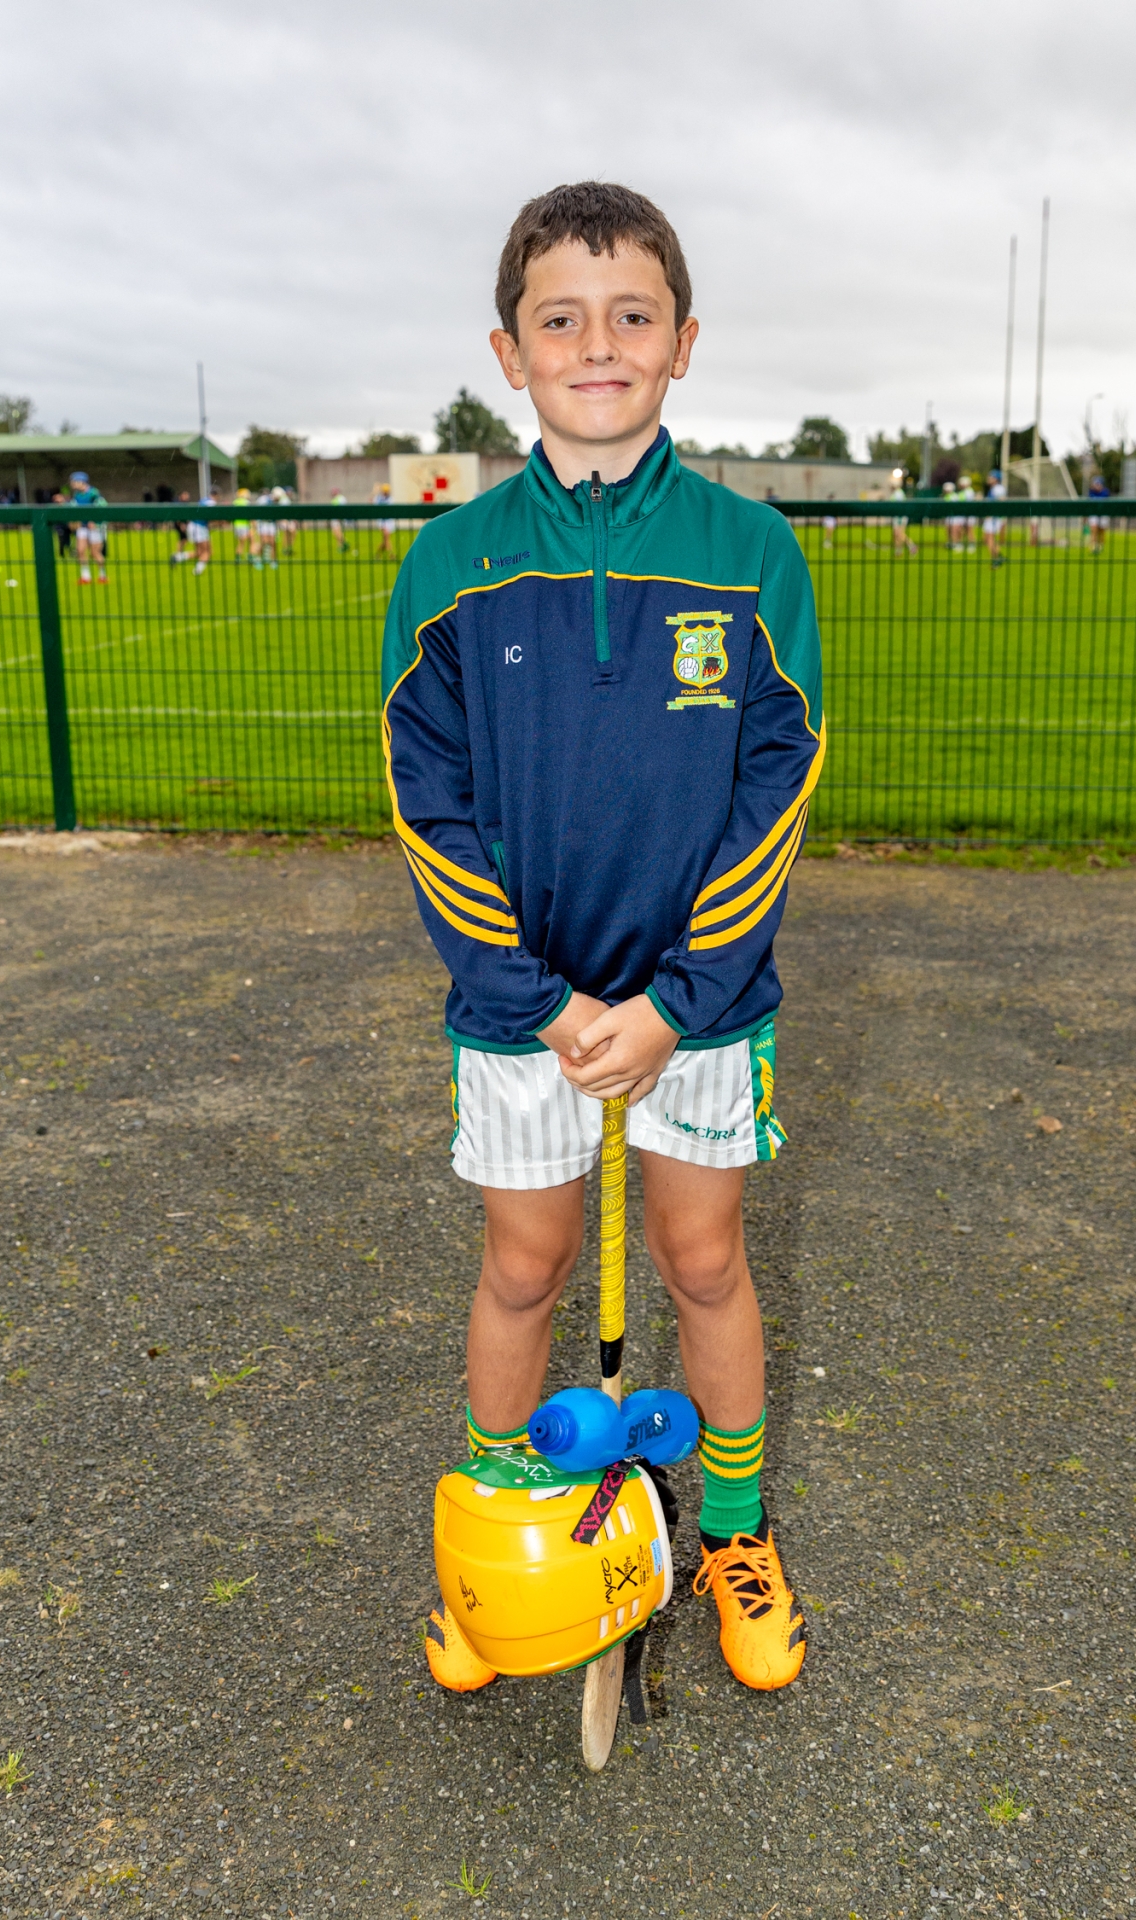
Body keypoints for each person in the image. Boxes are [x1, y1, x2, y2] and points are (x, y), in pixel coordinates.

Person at [383, 180, 823, 1699]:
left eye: (631, 314)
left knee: (703, 1258)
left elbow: (782, 776)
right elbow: (421, 792)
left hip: (700, 1005)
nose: (597, 342)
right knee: (525, 1265)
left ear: (682, 342)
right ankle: (496, 1542)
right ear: (508, 352)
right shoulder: (450, 563)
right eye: (559, 317)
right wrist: (535, 992)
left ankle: (735, 1540)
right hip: (524, 1009)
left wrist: (675, 999)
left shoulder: (752, 551)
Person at [67, 471, 108, 584]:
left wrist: (95, 521)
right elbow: (73, 509)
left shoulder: (94, 493)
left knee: (95, 553)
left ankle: (102, 575)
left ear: (82, 482)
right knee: (80, 550)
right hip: (83, 527)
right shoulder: (77, 495)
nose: (72, 484)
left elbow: (102, 507)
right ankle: (85, 576)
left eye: (74, 481)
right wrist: (74, 521)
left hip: (95, 527)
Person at [983, 467, 1008, 567]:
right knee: (987, 538)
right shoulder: (993, 489)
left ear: (996, 479)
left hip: (993, 518)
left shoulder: (998, 488)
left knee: (989, 538)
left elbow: (1001, 501)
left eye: (991, 477)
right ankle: (998, 556)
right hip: (991, 517)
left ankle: (996, 559)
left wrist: (993, 514)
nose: (989, 478)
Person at [889, 466, 917, 556]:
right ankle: (898, 551)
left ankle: (911, 546)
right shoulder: (896, 493)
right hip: (897, 516)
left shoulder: (898, 493)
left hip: (900, 516)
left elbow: (899, 506)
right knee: (896, 534)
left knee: (899, 533)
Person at [187, 491, 215, 575]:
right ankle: (197, 570)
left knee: (199, 552)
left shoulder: (203, 500)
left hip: (192, 525)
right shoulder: (211, 502)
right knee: (207, 551)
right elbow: (212, 515)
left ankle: (178, 557)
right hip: (200, 527)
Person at [1086, 470, 1111, 554]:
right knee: (1094, 529)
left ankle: (1101, 546)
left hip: (1103, 514)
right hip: (1094, 514)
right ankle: (1093, 546)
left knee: (1101, 531)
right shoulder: (1091, 492)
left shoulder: (1105, 492)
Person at [371, 481, 398, 555]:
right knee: (386, 537)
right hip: (381, 521)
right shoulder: (378, 498)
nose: (386, 492)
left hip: (389, 521)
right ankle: (391, 554)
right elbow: (372, 505)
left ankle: (378, 553)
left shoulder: (391, 499)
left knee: (385, 539)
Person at [170, 490, 193, 565]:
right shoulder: (178, 504)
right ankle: (178, 554)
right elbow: (177, 515)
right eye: (185, 495)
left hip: (182, 523)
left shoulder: (184, 503)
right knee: (183, 539)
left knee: (184, 539)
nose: (187, 496)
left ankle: (179, 554)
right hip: (179, 524)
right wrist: (181, 524)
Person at [232, 486, 252, 562]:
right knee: (249, 541)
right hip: (244, 525)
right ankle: (249, 556)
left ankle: (239, 557)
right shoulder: (246, 503)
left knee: (242, 542)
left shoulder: (235, 502)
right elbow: (250, 515)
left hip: (237, 525)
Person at [330, 490, 352, 554]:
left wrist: (339, 517)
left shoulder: (340, 498)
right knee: (337, 532)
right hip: (335, 517)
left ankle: (345, 543)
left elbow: (341, 508)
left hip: (337, 518)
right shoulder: (336, 499)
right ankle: (340, 547)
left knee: (336, 532)